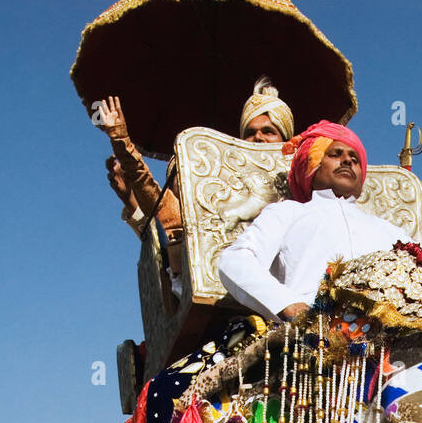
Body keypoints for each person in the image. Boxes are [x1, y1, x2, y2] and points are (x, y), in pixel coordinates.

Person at [95, 77, 295, 283]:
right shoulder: (220, 189)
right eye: (251, 133)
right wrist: (120, 140)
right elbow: (165, 214)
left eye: (269, 132)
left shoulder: (302, 191)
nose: (259, 138)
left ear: (286, 139)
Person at [219, 120, 407, 321]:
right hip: (314, 331)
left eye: (355, 159)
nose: (347, 161)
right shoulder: (288, 212)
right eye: (335, 154)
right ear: (312, 164)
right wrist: (286, 303)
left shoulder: (391, 231)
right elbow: (237, 259)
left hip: (385, 333)